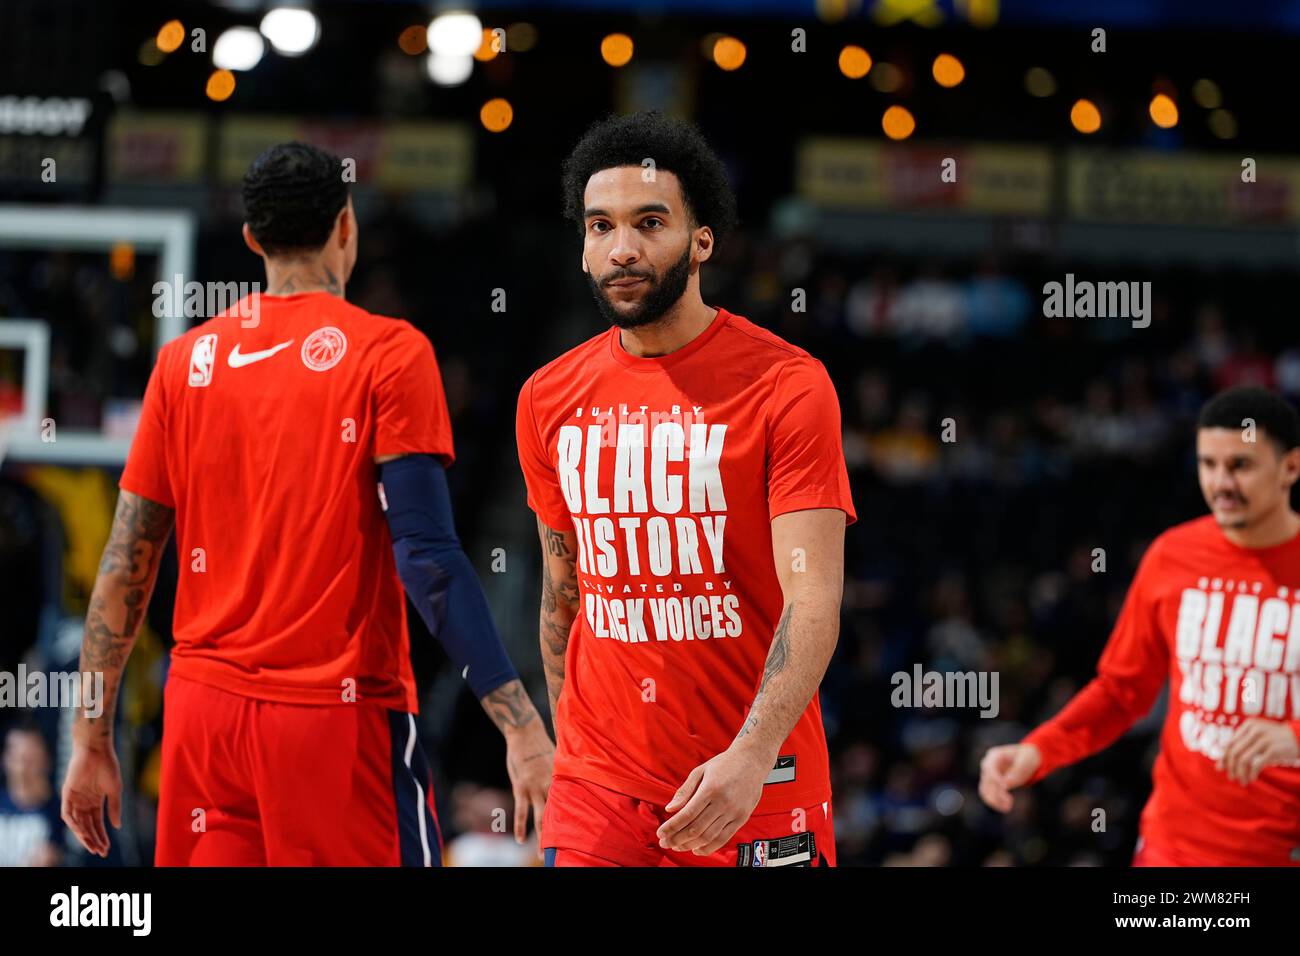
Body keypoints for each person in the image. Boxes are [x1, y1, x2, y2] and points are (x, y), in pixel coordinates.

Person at [61, 141, 553, 866]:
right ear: (346, 226)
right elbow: (428, 558)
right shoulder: (389, 352)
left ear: (252, 239)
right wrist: (519, 724)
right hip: (330, 715)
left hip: (200, 719)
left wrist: (89, 737)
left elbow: (126, 558)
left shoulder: (184, 362)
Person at [516, 112, 855, 867]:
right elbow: (562, 591)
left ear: (702, 240)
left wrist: (751, 755)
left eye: (650, 223)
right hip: (597, 791)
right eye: (600, 226)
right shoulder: (548, 396)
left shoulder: (787, 385)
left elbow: (814, 597)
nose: (623, 249)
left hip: (750, 780)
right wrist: (568, 749)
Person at [980, 387, 1300, 866]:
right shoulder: (1172, 557)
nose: (1220, 483)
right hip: (1175, 845)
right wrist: (1039, 749)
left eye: (1241, 465)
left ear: (1291, 467)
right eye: (1208, 464)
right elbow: (1122, 691)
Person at [0, 720, 62, 867]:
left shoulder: (62, 815)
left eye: (31, 759)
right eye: (17, 758)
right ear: (4, 760)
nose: (23, 768)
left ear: (47, 761)